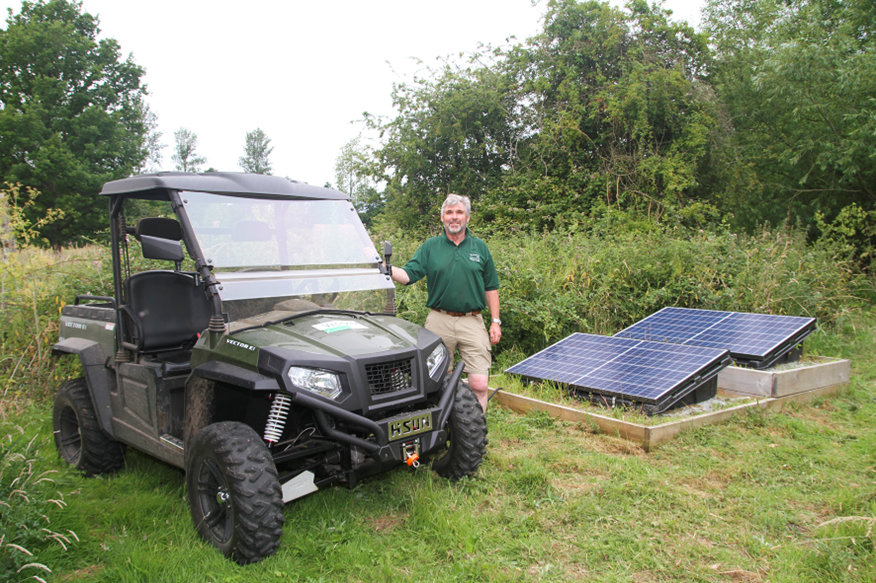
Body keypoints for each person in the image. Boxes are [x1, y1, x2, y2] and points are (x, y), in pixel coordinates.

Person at [391, 193, 500, 412]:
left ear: (467, 218)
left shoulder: (480, 248)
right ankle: (444, 426)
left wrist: (495, 321)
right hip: (438, 320)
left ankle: (475, 430)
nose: (454, 217)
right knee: (438, 380)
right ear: (442, 218)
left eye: (459, 212)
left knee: (480, 383)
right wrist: (383, 268)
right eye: (449, 213)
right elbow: (408, 275)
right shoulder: (430, 247)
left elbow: (491, 287)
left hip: (472, 320)